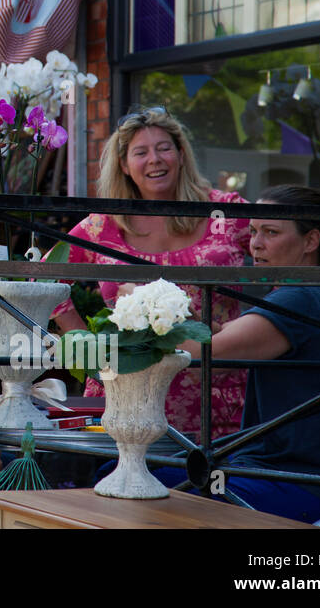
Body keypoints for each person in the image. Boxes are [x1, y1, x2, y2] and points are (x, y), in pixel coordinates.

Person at [159, 184, 320, 523]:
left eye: (271, 232)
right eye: (254, 231)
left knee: (129, 475)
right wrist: (174, 310)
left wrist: (148, 309)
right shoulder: (313, 291)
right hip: (300, 476)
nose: (256, 244)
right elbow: (221, 338)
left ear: (311, 241)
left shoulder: (299, 298)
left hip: (306, 484)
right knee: (146, 471)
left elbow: (203, 358)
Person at [53, 106, 250, 437]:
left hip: (217, 394)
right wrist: (86, 345)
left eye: (163, 148)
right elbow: (43, 279)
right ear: (125, 166)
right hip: (126, 396)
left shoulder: (225, 211)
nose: (155, 159)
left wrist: (262, 332)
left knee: (215, 488)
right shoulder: (103, 224)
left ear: (181, 154)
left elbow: (280, 255)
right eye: (141, 152)